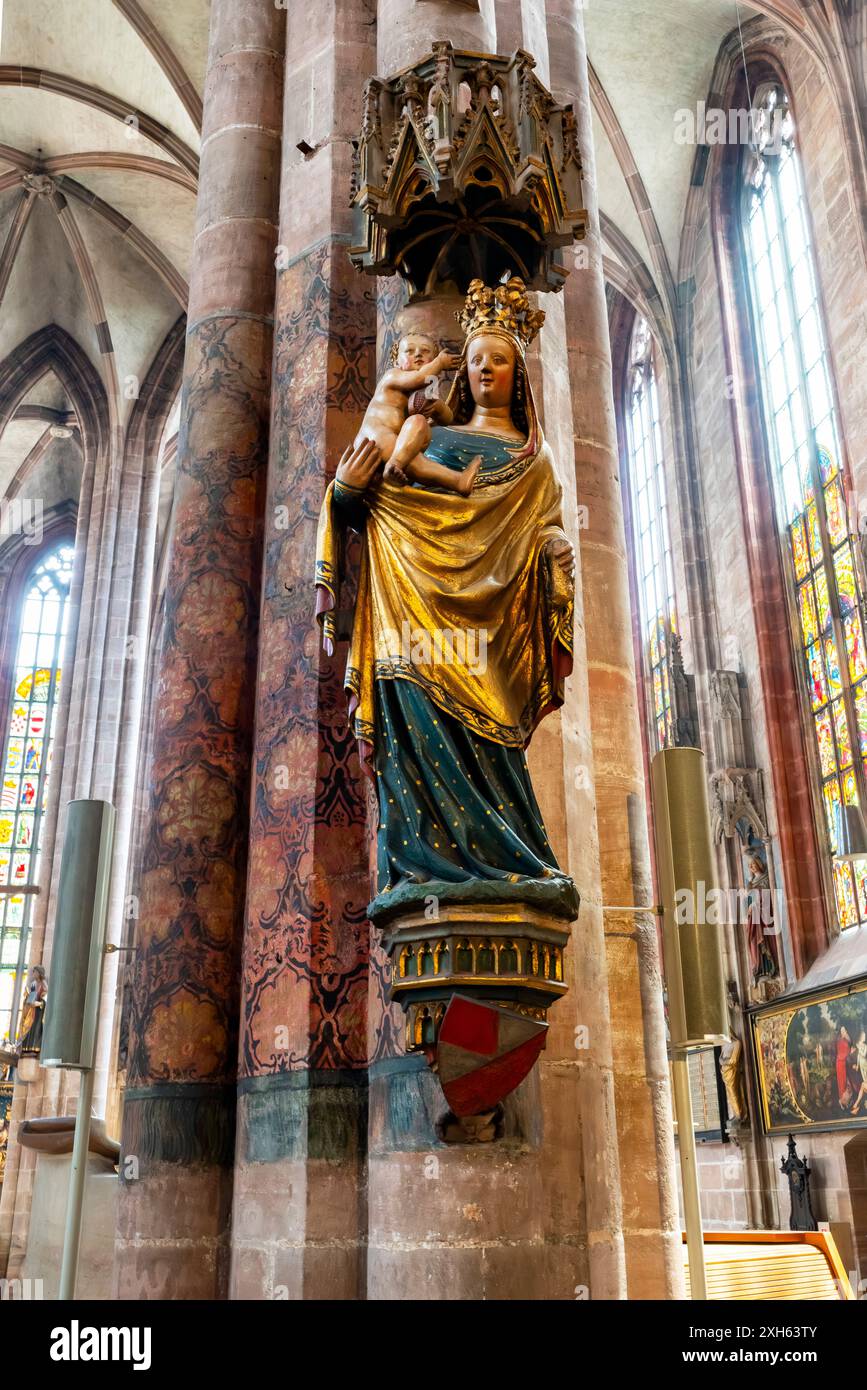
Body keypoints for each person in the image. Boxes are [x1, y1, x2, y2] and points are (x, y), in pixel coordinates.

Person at [316, 274, 578, 926]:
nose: (487, 369)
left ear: (518, 377)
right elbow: (373, 501)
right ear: (464, 370)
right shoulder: (426, 437)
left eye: (501, 361)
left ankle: (510, 861)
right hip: (408, 621)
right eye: (479, 359)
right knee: (413, 741)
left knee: (489, 753)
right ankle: (419, 871)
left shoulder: (533, 461)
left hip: (488, 643)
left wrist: (555, 557)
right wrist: (345, 491)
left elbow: (543, 528)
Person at [353, 331, 480, 494]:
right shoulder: (393, 375)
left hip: (401, 442)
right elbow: (420, 377)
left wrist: (438, 407)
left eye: (425, 351)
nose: (418, 354)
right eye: (409, 351)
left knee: (419, 424)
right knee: (414, 460)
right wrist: (440, 363)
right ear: (396, 360)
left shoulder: (429, 385)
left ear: (431, 359)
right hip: (375, 434)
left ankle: (457, 481)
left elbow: (447, 418)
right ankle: (397, 466)